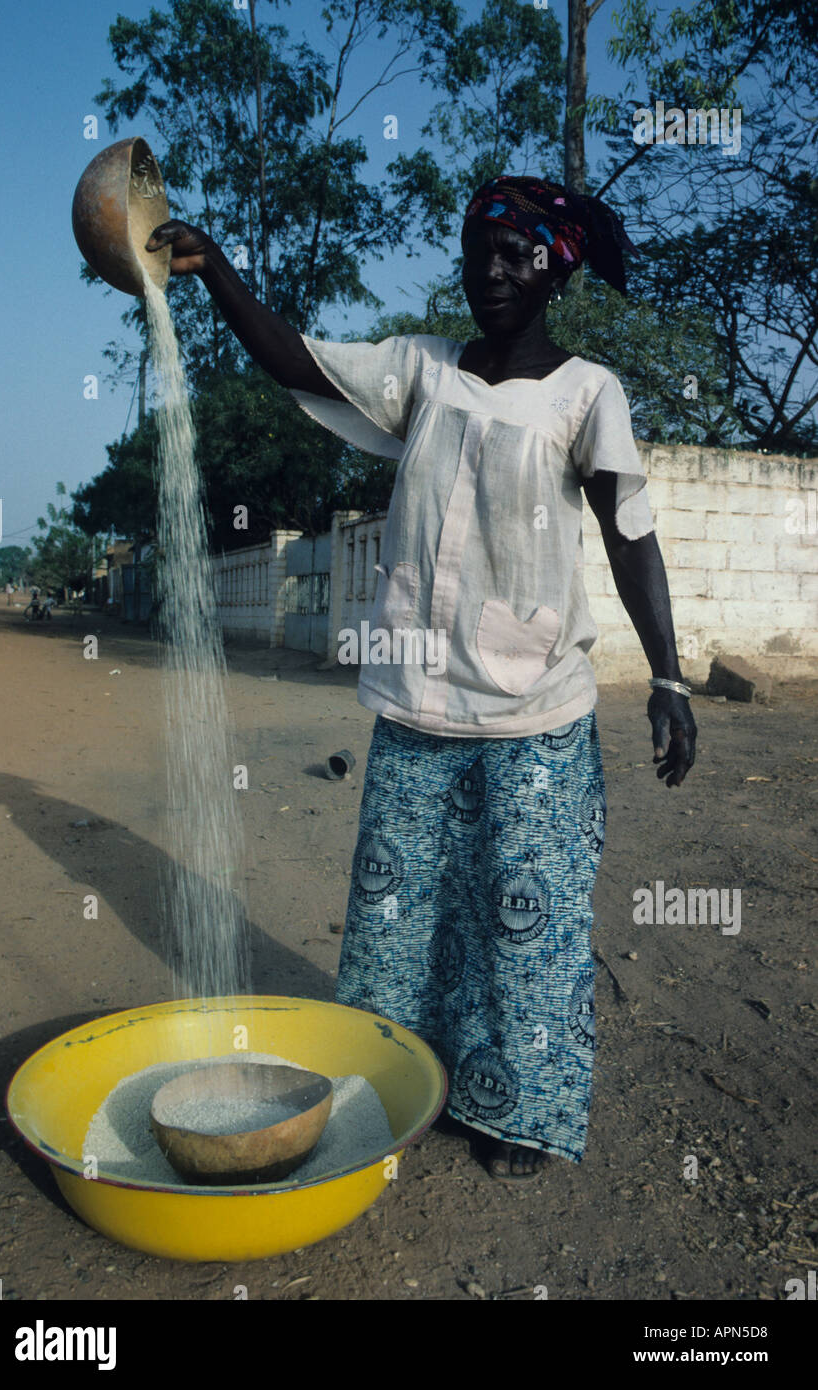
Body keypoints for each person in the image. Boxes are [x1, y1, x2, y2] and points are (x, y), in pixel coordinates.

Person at [146, 174, 696, 1179]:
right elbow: (298, 359)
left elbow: (630, 536)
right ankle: (404, 1083)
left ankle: (518, 1114)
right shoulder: (422, 373)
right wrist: (218, 270)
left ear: (554, 269)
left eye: (514, 256)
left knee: (525, 918)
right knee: (399, 915)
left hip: (533, 711)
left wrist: (669, 679)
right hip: (417, 703)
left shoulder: (587, 393)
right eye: (476, 252)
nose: (490, 273)